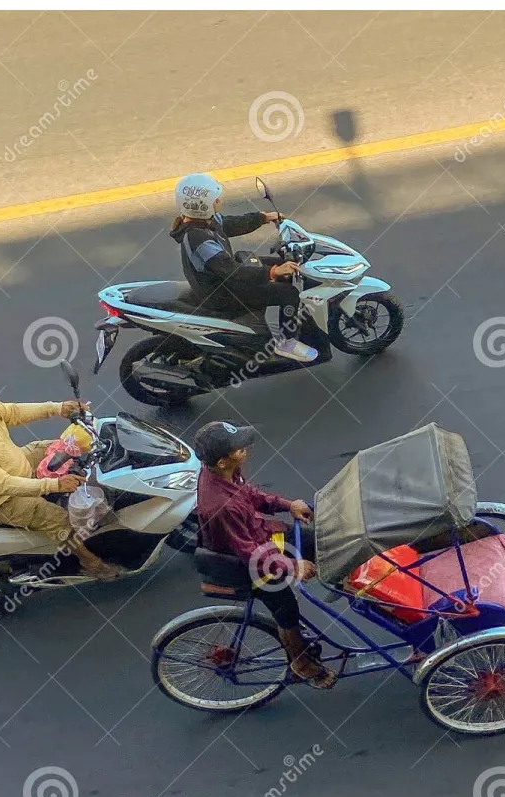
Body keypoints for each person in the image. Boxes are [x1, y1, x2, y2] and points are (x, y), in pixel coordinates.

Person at [193, 420, 337, 689]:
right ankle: (301, 664)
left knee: (323, 543)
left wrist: (287, 505)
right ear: (222, 461)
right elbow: (250, 554)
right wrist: (293, 566)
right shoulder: (220, 507)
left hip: (265, 539)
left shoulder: (223, 472)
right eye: (239, 449)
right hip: (251, 564)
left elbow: (250, 495)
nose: (245, 450)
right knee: (286, 608)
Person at [0, 369, 121, 578]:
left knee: (70, 446)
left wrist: (58, 408)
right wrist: (55, 485)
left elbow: (13, 412)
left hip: (20, 462)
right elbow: (3, 484)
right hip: (2, 499)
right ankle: (91, 563)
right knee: (57, 519)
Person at [169, 173, 318, 364]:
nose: (220, 201)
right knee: (289, 294)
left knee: (279, 266)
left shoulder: (203, 222)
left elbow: (231, 224)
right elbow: (232, 272)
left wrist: (263, 218)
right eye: (216, 200)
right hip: (222, 294)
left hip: (220, 278)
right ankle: (286, 343)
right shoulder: (199, 239)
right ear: (202, 206)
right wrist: (272, 272)